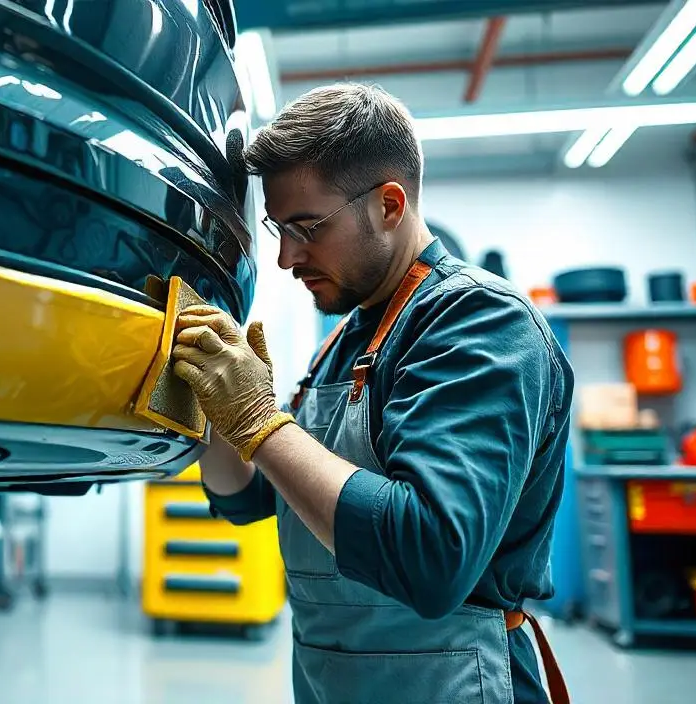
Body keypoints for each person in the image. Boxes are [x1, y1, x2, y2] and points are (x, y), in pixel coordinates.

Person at [169, 83, 575, 704]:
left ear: (389, 204)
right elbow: (252, 500)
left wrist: (262, 422)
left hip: (453, 683)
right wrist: (220, 412)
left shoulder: (480, 324)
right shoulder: (348, 336)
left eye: (306, 227)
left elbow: (431, 555)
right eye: (279, 229)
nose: (285, 257)